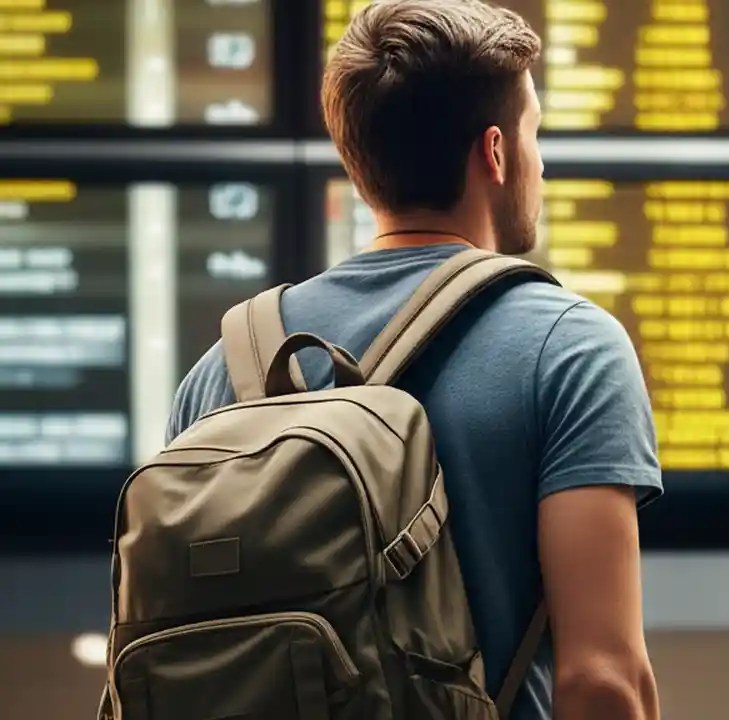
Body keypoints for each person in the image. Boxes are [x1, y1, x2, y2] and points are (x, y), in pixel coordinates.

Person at [166, 1, 663, 718]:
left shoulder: (221, 371)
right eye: (534, 135)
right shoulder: (569, 347)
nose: (541, 163)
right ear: (495, 153)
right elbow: (604, 679)